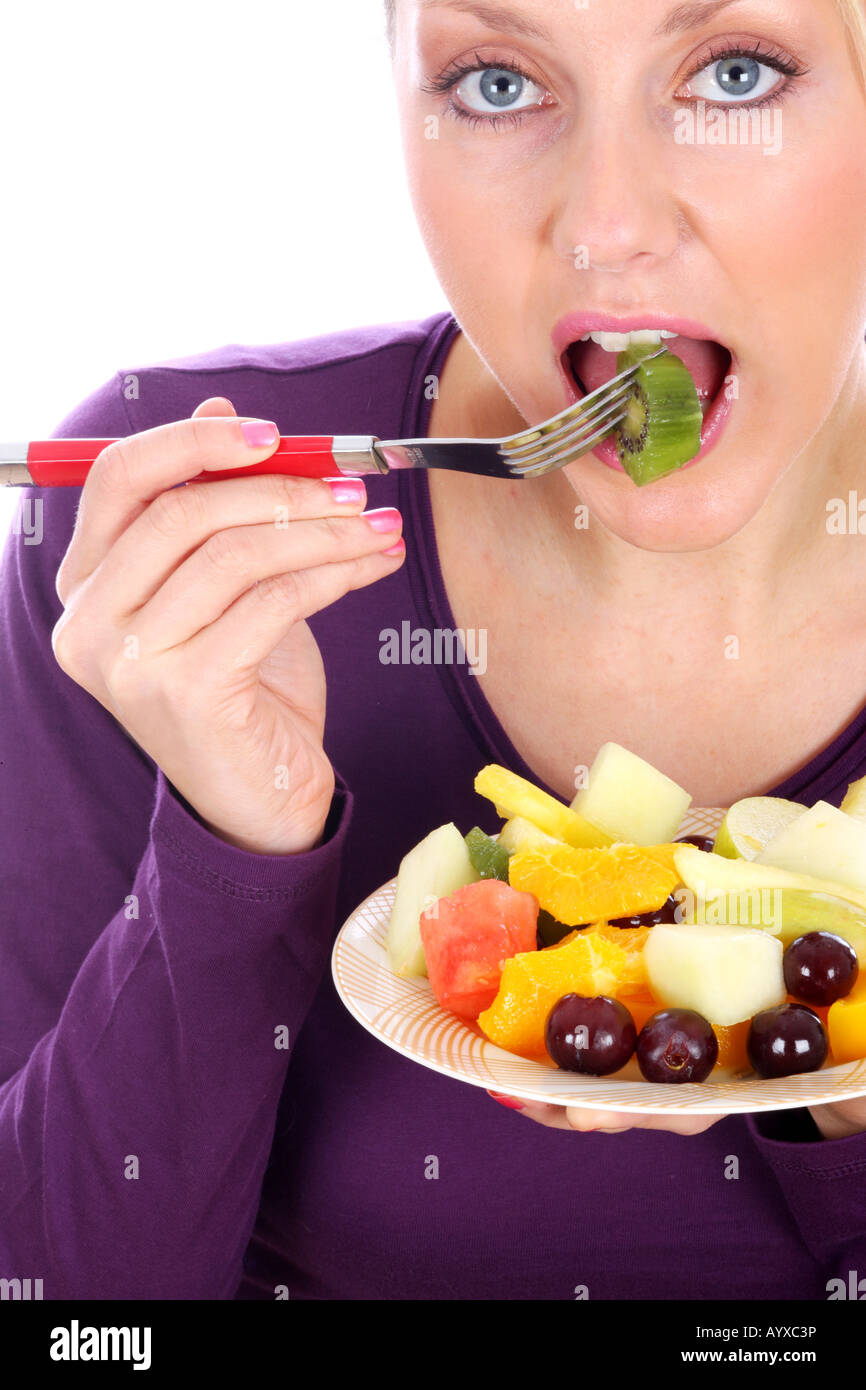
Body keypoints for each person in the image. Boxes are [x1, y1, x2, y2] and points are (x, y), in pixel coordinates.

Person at [2, 0, 866, 1301]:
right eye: (497, 83)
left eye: (734, 73)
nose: (607, 224)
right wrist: (233, 856)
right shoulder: (169, 554)